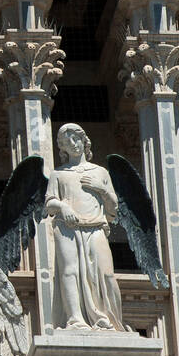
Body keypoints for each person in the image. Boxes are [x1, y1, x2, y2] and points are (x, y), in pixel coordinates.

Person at [46, 124, 125, 331]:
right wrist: (63, 206)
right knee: (69, 271)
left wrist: (102, 190)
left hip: (96, 227)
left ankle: (108, 320)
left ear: (84, 140)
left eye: (76, 139)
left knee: (106, 274)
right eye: (67, 142)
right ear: (62, 148)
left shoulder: (100, 172)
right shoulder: (58, 174)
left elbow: (114, 208)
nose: (73, 144)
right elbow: (49, 203)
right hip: (67, 228)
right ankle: (76, 319)